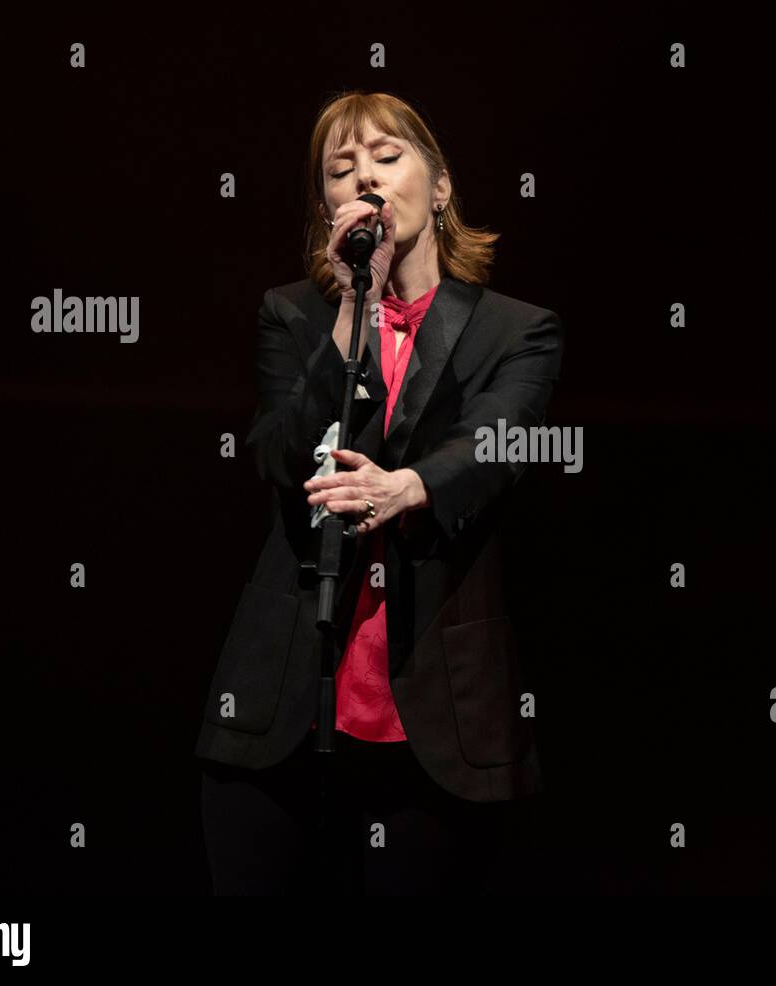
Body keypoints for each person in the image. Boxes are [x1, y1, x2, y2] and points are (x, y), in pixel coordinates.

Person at [195, 90, 565, 895]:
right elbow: (278, 455)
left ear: (439, 188)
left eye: (387, 157)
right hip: (285, 703)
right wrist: (353, 313)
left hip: (435, 715)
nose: (364, 179)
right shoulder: (292, 316)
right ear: (327, 204)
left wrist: (410, 487)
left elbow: (498, 447)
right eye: (341, 168)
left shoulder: (517, 329)